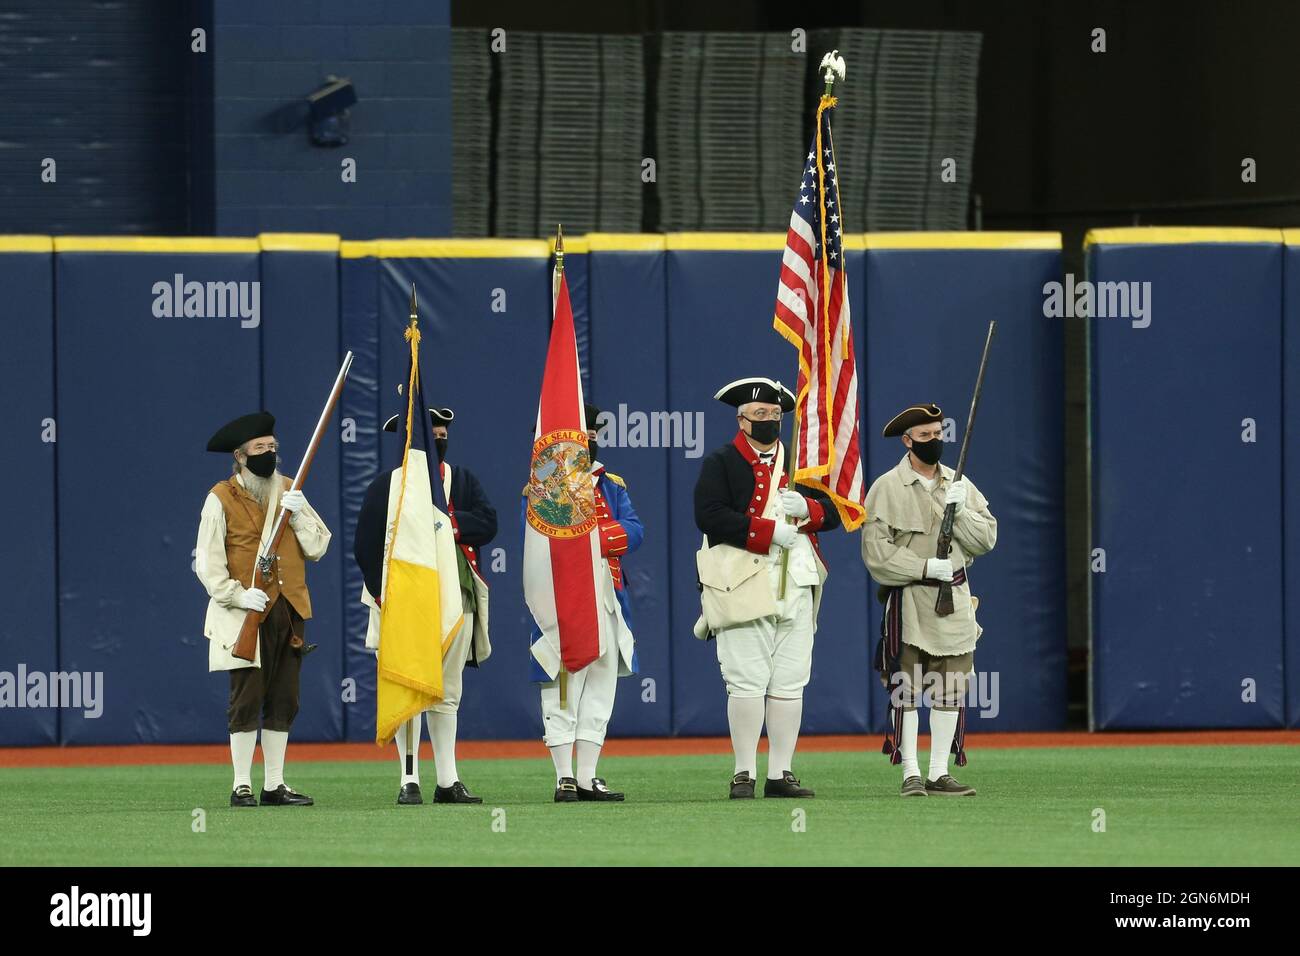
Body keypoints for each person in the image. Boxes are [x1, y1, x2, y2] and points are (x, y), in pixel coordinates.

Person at [693, 377, 841, 799]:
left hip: (797, 580)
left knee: (789, 682)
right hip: (742, 581)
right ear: (742, 420)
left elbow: (837, 512)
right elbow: (709, 515)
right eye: (761, 415)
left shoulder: (801, 464)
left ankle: (780, 773)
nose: (770, 421)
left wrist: (809, 509)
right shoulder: (721, 461)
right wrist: (766, 532)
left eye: (776, 415)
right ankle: (743, 771)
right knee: (746, 681)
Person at [355, 406, 495, 805]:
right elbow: (365, 546)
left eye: (441, 433)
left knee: (449, 692)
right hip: (403, 604)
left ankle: (448, 780)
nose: (438, 439)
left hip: (457, 597)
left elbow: (487, 523)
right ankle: (409, 778)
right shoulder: (387, 487)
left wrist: (449, 522)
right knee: (408, 685)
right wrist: (384, 597)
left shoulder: (462, 480)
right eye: (428, 434)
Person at [196, 411, 331, 808]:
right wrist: (237, 596)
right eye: (260, 449)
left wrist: (301, 511)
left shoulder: (289, 490)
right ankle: (241, 784)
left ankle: (275, 783)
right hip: (244, 613)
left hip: (289, 611)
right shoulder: (218, 499)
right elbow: (207, 562)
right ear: (240, 456)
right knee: (246, 698)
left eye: (272, 447)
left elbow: (318, 546)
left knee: (284, 698)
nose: (269, 454)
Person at [861, 403, 997, 797]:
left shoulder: (959, 482)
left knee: (951, 687)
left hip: (954, 600)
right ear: (908, 441)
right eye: (925, 436)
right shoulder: (886, 487)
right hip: (909, 603)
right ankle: (910, 772)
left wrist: (961, 512)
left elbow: (986, 539)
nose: (934, 441)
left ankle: (939, 772)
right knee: (906, 689)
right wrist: (923, 568)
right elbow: (876, 554)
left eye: (939, 434)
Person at [526, 403, 643, 802]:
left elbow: (634, 531)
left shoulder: (611, 484)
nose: (590, 440)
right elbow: (537, 545)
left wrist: (591, 535)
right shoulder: (542, 485)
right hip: (563, 600)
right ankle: (563, 777)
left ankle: (588, 776)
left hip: (608, 598)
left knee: (600, 686)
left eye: (594, 435)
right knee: (561, 686)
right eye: (584, 434)